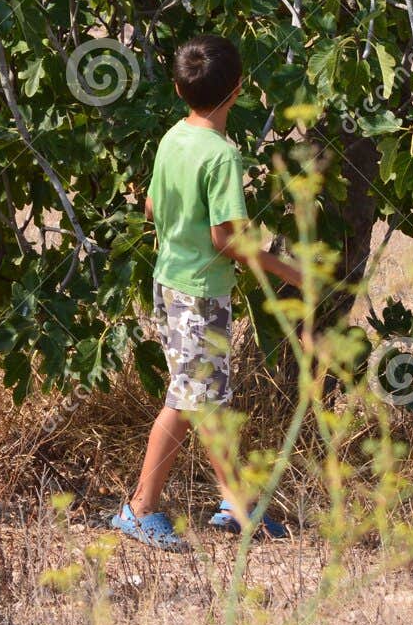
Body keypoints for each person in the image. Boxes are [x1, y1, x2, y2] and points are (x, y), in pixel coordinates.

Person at [111, 34, 305, 551]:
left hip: (169, 281)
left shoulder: (172, 138)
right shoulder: (222, 156)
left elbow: (152, 207)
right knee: (187, 401)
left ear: (178, 88)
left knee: (207, 402)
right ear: (238, 89)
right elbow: (227, 239)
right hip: (199, 294)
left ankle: (238, 506)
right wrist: (290, 274)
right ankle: (140, 507)